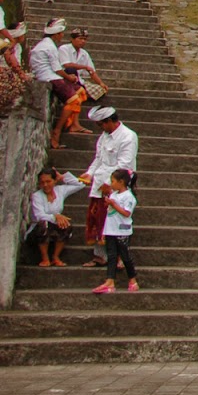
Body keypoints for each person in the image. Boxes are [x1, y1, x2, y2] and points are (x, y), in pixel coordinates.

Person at [78, 105, 138, 269]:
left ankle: (119, 257)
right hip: (100, 184)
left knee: (115, 221)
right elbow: (99, 158)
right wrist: (90, 173)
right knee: (98, 219)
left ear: (110, 121)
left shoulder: (127, 136)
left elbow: (124, 165)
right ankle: (100, 255)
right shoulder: (104, 137)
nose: (101, 128)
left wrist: (109, 184)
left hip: (118, 185)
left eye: (102, 124)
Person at [31, 19, 87, 149]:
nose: (62, 36)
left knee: (80, 92)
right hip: (49, 77)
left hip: (51, 76)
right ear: (56, 34)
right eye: (61, 33)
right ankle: (57, 131)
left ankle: (74, 124)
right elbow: (57, 69)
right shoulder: (49, 47)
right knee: (73, 100)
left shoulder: (45, 44)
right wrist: (69, 77)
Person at [56, 28, 107, 146]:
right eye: (80, 39)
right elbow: (66, 65)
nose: (82, 41)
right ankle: (74, 123)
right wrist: (83, 67)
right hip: (65, 78)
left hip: (79, 80)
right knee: (71, 70)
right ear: (72, 39)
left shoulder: (84, 53)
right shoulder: (64, 49)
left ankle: (75, 122)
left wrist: (101, 83)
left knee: (98, 90)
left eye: (84, 39)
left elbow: (91, 71)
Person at [92, 168, 138, 294]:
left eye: (113, 181)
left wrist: (113, 204)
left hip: (122, 231)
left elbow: (126, 213)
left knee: (125, 256)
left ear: (121, 182)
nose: (111, 184)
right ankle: (110, 281)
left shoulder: (129, 197)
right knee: (111, 256)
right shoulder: (114, 194)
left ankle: (132, 280)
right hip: (111, 229)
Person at [28, 167, 85, 268]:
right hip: (38, 231)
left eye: (48, 181)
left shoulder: (60, 191)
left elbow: (81, 184)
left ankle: (55, 257)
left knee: (67, 224)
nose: (45, 185)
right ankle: (45, 258)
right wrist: (55, 216)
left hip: (54, 228)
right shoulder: (37, 196)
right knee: (43, 224)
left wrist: (63, 177)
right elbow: (38, 216)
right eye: (42, 182)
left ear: (54, 181)